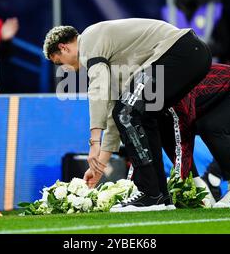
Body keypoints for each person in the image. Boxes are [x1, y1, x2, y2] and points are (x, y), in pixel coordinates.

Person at [43, 19, 212, 212]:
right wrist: (100, 165)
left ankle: (149, 193)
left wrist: (95, 142)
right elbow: (115, 113)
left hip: (181, 52)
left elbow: (98, 90)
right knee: (140, 115)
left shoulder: (88, 40)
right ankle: (161, 197)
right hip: (192, 54)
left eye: (59, 63)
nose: (66, 69)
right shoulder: (112, 57)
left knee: (128, 113)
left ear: (63, 47)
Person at [88, 63, 230, 209]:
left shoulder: (171, 90)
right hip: (222, 99)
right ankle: (203, 189)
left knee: (208, 126)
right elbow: (126, 128)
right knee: (164, 127)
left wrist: (185, 181)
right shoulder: (146, 91)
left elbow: (183, 137)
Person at [161, 0, 226, 62]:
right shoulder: (169, 11)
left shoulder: (213, 10)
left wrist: (200, 51)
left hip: (208, 66)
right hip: (179, 65)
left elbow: (223, 44)